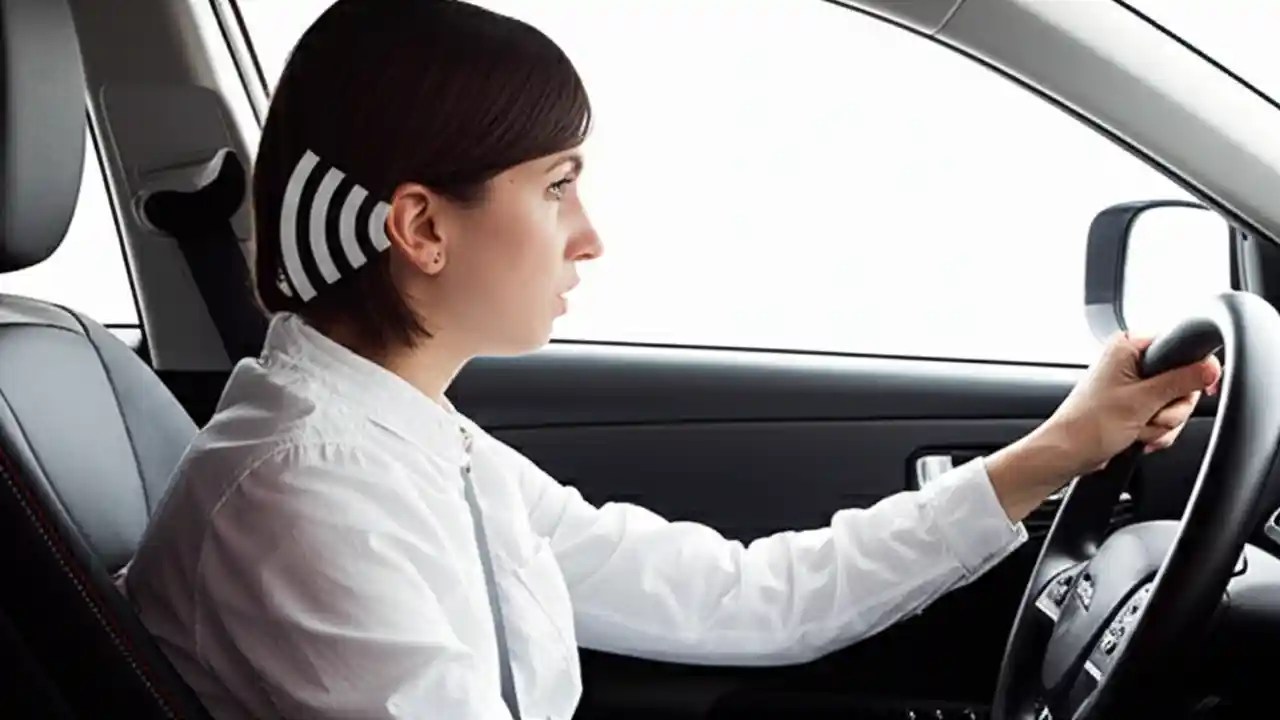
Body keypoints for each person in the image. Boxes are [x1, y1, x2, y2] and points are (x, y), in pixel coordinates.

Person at [119, 1, 1222, 718]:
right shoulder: (306, 497)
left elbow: (741, 599)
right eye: (555, 186)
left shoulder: (411, 441)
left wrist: (1053, 453)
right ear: (421, 227)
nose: (588, 233)